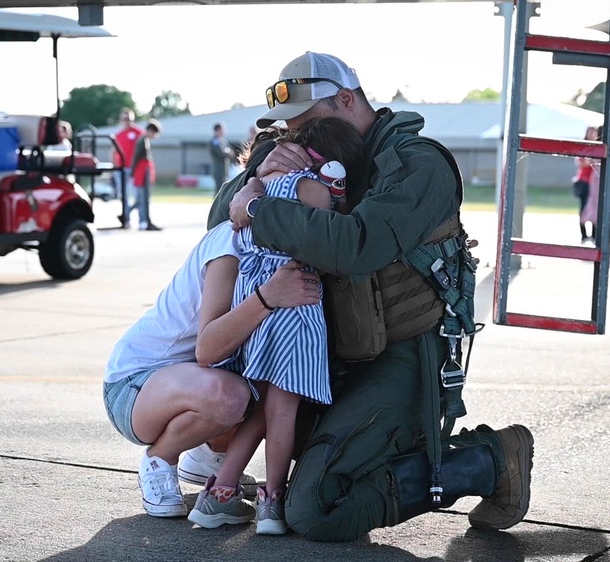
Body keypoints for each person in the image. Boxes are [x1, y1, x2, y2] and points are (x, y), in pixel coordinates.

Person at [207, 51, 534, 542]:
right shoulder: (295, 154)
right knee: (226, 410)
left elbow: (355, 247)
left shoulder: (417, 165)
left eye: (305, 124)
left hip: (400, 355)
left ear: (346, 99)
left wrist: (257, 207)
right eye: (286, 130)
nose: (294, 138)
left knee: (315, 509)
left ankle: (487, 460)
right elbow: (219, 230)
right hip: (324, 353)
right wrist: (257, 173)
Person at [186, 117, 363, 535]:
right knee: (284, 408)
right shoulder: (311, 188)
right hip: (293, 306)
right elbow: (329, 240)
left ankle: (220, 493)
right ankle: (273, 501)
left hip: (257, 304)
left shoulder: (258, 188)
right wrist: (340, 201)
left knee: (264, 408)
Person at [103, 219, 322, 518]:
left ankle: (208, 457)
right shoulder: (231, 243)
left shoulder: (282, 235)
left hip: (188, 382)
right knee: (230, 395)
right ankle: (160, 458)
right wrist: (268, 296)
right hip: (134, 384)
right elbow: (207, 349)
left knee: (265, 384)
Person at [111, 108, 143, 228]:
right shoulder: (118, 135)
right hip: (121, 169)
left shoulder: (138, 133)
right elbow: (113, 152)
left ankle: (140, 220)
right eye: (125, 119)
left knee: (137, 196)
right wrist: (114, 166)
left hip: (134, 169)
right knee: (123, 195)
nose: (127, 121)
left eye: (129, 119)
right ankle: (126, 220)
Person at [130, 119, 162, 231]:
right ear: (151, 131)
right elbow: (136, 157)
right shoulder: (142, 141)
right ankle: (144, 221)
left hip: (143, 170)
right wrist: (133, 172)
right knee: (143, 198)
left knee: (142, 198)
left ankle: (142, 219)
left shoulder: (144, 140)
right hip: (142, 171)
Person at [573, 126, 598, 242]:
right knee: (583, 208)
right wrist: (590, 162)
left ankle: (594, 234)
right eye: (590, 133)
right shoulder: (583, 147)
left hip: (595, 182)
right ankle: (583, 234)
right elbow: (580, 164)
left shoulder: (598, 148)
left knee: (595, 208)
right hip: (584, 182)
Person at [210, 122, 234, 194]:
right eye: (222, 129)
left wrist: (229, 153)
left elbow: (231, 152)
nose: (223, 131)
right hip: (218, 169)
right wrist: (227, 153)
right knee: (219, 189)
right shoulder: (214, 141)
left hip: (225, 168)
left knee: (224, 189)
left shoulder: (223, 141)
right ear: (217, 130)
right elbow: (220, 153)